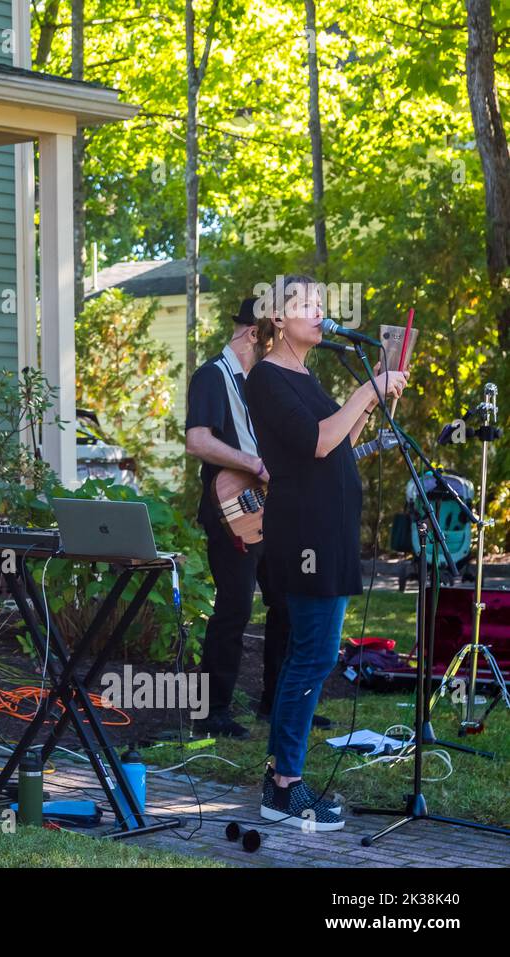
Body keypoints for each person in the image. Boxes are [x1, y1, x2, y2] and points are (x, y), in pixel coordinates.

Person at [245, 275, 407, 830]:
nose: (320, 312)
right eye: (307, 305)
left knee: (314, 654)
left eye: (322, 304)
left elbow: (337, 439)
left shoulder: (304, 374)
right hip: (305, 535)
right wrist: (367, 391)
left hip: (330, 532)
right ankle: (283, 785)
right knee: (311, 655)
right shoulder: (267, 378)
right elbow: (315, 442)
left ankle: (285, 778)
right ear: (277, 318)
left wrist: (374, 396)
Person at [185, 297, 292, 739]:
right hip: (229, 512)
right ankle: (211, 712)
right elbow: (198, 441)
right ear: (253, 334)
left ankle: (276, 703)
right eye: (272, 341)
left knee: (286, 604)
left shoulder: (259, 384)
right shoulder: (212, 376)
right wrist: (253, 463)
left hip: (270, 511)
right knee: (233, 608)